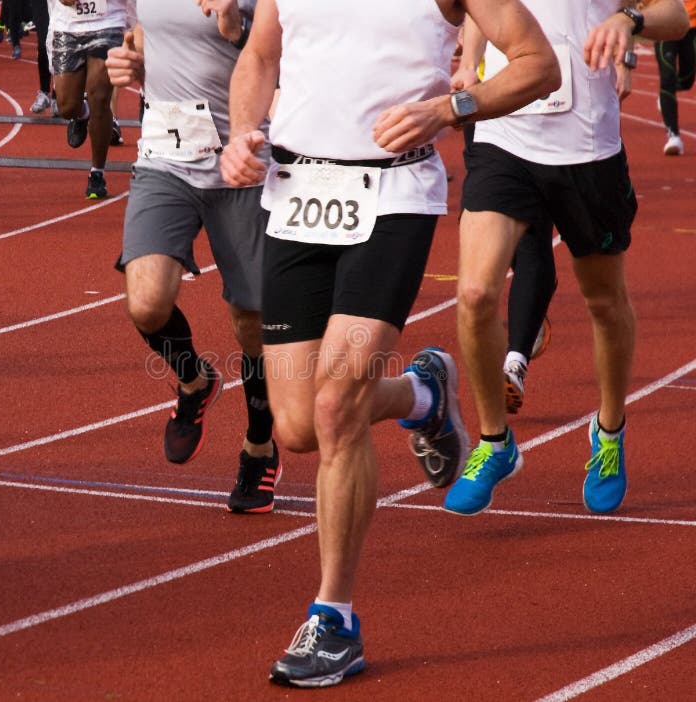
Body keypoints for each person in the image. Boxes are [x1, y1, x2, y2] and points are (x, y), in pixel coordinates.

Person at [220, 0, 559, 687]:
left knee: (337, 405)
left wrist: (450, 108)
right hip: (295, 192)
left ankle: (334, 619)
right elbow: (259, 53)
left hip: (392, 195)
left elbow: (538, 65)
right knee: (297, 426)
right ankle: (422, 393)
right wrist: (241, 133)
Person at [443, 0, 689, 519]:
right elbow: (479, 8)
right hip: (503, 137)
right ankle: (494, 441)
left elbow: (676, 16)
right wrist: (470, 60)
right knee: (475, 293)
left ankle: (609, 431)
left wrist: (628, 22)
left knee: (604, 301)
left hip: (587, 148)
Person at [105, 1, 282, 513]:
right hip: (165, 161)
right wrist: (135, 63)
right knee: (146, 304)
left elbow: (294, 60)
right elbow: (149, 34)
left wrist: (238, 27)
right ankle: (194, 381)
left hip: (243, 164)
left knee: (252, 322)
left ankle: (259, 445)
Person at [48, 0, 128, 199]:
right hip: (67, 25)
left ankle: (97, 172)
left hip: (108, 22)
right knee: (66, 107)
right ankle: (83, 114)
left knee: (99, 98)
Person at [655, 0, 696, 155]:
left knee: (687, 80)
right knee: (667, 78)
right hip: (664, 23)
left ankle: (667, 95)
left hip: (691, 23)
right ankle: (673, 136)